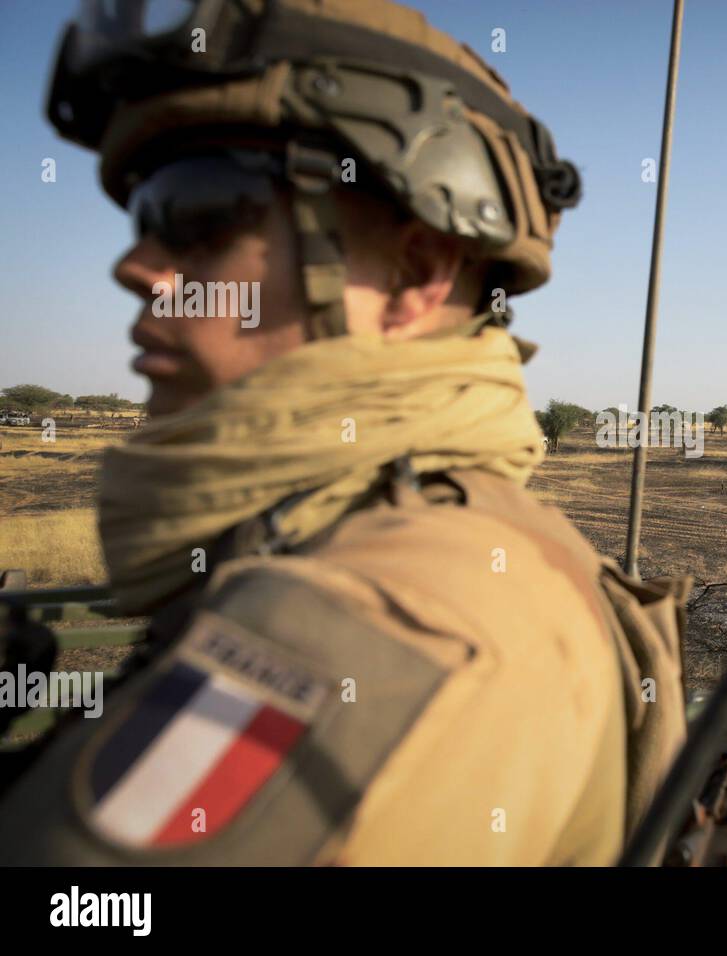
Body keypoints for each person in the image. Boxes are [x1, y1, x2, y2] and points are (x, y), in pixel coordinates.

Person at [0, 0, 687, 865]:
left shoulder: (376, 618)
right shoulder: (408, 521)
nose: (136, 268)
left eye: (197, 208)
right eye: (143, 214)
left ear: (413, 273)